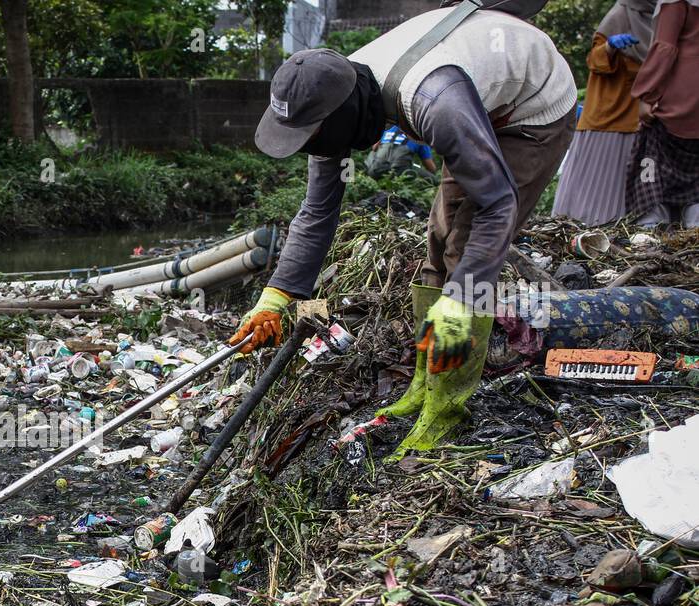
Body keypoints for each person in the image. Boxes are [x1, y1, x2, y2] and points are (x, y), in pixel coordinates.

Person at [232, 6, 576, 457]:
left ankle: (447, 407)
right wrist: (277, 297)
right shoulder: (326, 97)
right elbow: (317, 210)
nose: (311, 147)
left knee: (466, 245)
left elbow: (499, 203)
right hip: (473, 100)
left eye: (313, 136)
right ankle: (423, 383)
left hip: (531, 109)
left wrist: (463, 300)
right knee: (440, 242)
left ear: (340, 114)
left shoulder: (434, 99)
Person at [552, 1, 656, 226]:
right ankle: (589, 229)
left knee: (633, 184)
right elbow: (594, 60)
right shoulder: (621, 13)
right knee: (597, 184)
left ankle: (628, 231)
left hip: (641, 117)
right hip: (608, 115)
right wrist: (610, 47)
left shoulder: (664, 17)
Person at [627, 0, 699, 229]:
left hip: (679, 95)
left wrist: (646, 94)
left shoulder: (676, 2)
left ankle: (650, 235)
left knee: (651, 167)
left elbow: (664, 48)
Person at [365, 125, 438, 181]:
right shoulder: (419, 137)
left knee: (374, 153)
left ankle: (367, 173)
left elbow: (374, 148)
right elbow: (430, 167)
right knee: (434, 180)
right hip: (399, 174)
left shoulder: (388, 129)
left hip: (376, 172)